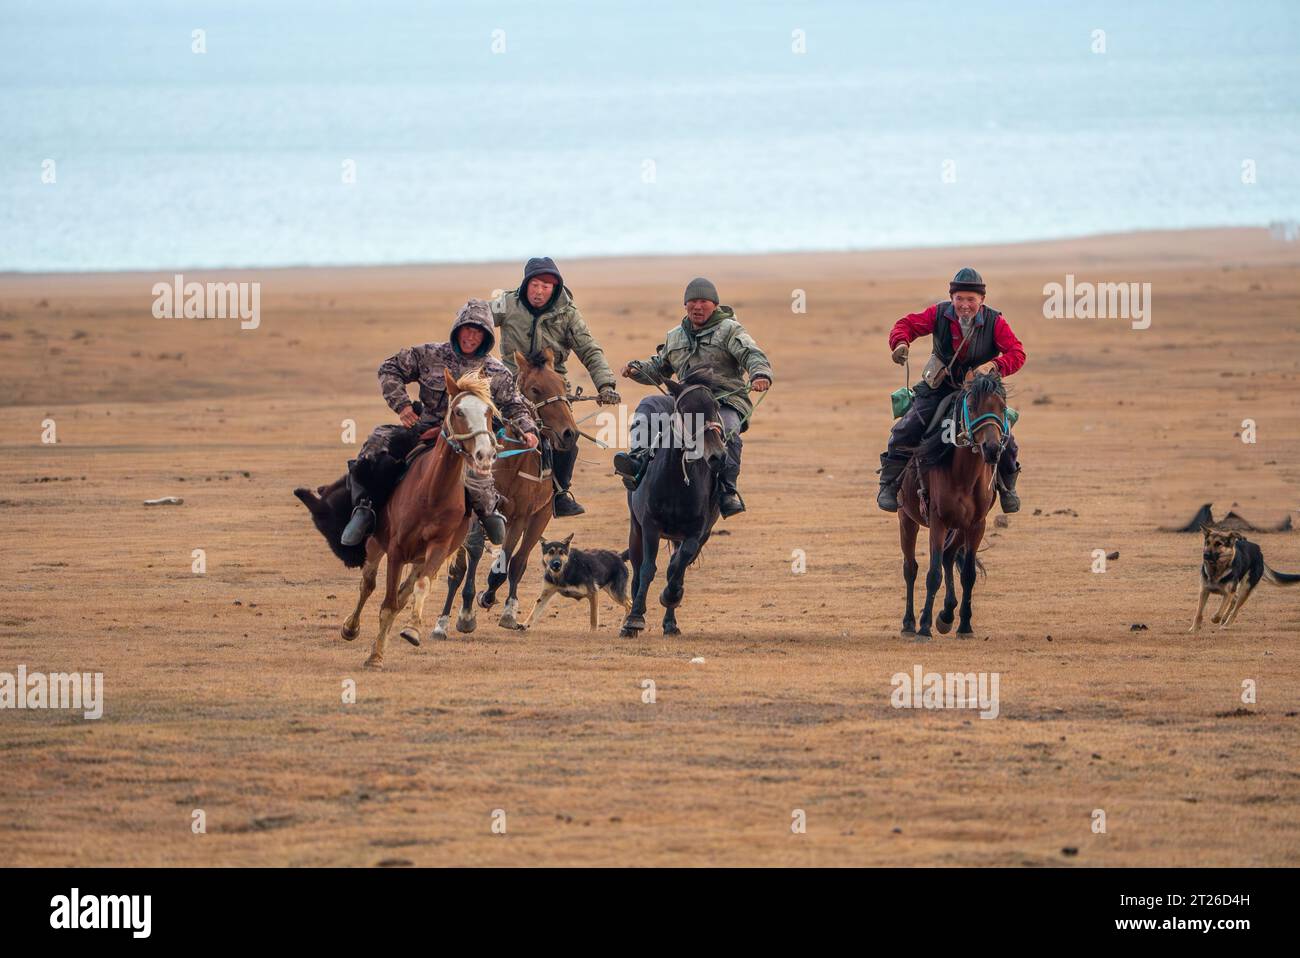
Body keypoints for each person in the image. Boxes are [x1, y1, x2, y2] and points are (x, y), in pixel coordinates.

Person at [340, 299, 538, 547]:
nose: (471, 336)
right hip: (423, 431)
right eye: (467, 328)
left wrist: (529, 430)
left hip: (470, 440)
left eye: (479, 332)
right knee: (374, 445)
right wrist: (402, 405)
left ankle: (488, 511)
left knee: (481, 472)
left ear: (487, 336)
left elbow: (514, 405)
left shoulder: (496, 372)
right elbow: (389, 368)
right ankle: (363, 510)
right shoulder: (430, 354)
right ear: (457, 328)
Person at [613, 277, 772, 518]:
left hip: (723, 401)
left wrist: (760, 373)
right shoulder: (675, 335)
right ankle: (636, 461)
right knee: (648, 406)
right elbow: (660, 367)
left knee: (729, 431)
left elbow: (752, 354)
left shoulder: (730, 330)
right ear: (685, 305)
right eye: (692, 302)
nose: (697, 307)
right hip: (685, 401)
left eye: (704, 301)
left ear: (715, 305)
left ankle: (727, 490)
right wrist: (638, 369)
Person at [876, 267, 1024, 514]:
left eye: (971, 299)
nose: (965, 305)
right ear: (952, 297)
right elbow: (906, 325)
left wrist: (994, 365)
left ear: (982, 300)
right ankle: (889, 485)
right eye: (959, 299)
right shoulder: (939, 314)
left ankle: (1007, 488)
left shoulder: (995, 322)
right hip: (939, 388)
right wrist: (900, 342)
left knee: (1005, 440)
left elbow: (1017, 353)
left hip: (981, 394)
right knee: (906, 428)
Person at [490, 256, 620, 517]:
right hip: (510, 383)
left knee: (568, 437)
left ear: (555, 287)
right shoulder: (506, 303)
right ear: (526, 284)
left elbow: (589, 350)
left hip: (551, 388)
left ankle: (559, 493)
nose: (539, 291)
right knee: (483, 430)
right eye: (535, 285)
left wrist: (605, 384)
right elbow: (478, 323)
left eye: (546, 286)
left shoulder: (568, 313)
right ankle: (475, 489)